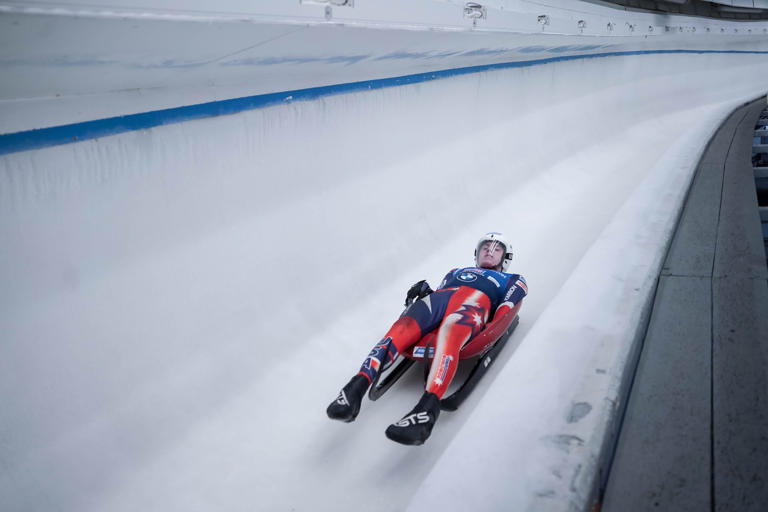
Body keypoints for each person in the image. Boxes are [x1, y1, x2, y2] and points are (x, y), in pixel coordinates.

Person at [326, 232, 528, 445]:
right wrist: (424, 291)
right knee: (401, 328)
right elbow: (439, 292)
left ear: (505, 259)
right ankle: (355, 388)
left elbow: (507, 307)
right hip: (439, 299)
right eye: (486, 247)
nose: (489, 250)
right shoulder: (455, 271)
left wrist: (491, 328)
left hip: (475, 303)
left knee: (449, 333)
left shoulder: (512, 279)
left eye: (496, 249)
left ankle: (426, 412)